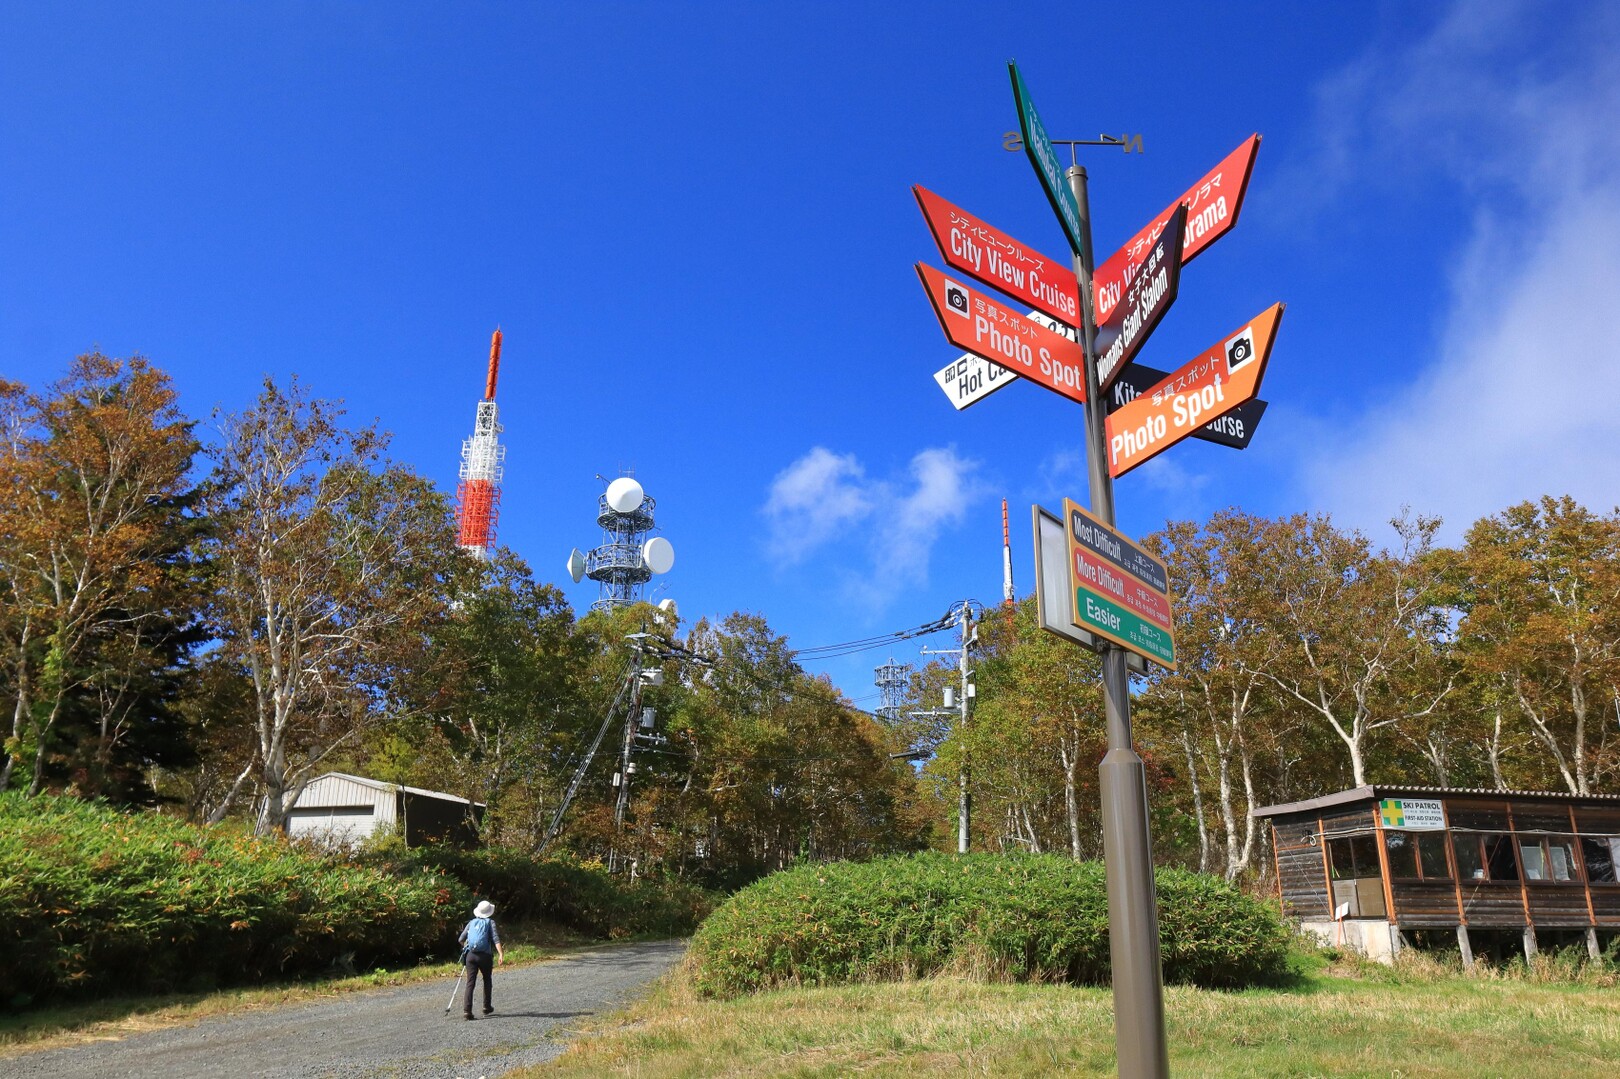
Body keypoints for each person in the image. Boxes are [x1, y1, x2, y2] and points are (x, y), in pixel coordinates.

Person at [457, 899, 504, 1019]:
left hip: (471, 955)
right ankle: (486, 1006)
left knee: (470, 982)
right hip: (485, 956)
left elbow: (460, 939)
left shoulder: (471, 922)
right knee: (487, 979)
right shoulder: (490, 922)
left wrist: (466, 946)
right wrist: (500, 954)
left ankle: (467, 1011)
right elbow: (495, 938)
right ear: (489, 912)